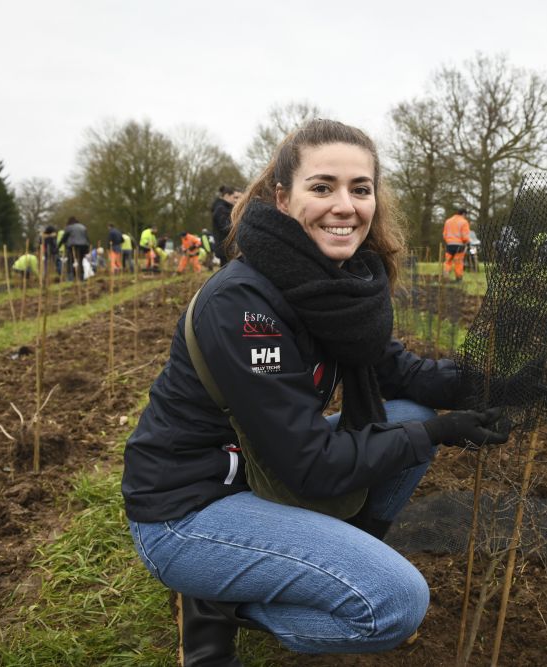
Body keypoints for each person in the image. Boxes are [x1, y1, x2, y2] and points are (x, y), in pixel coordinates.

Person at [122, 119, 513, 666]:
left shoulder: (335, 285)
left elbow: (399, 372)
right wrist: (438, 433)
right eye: (322, 187)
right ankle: (218, 602)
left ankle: (335, 555)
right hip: (189, 506)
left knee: (406, 410)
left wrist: (492, 382)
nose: (344, 206)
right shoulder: (243, 305)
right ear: (283, 198)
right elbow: (313, 465)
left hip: (263, 467)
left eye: (360, 188)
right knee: (395, 603)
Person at [211, 185, 243, 267]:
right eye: (235, 197)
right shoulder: (221, 209)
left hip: (228, 248)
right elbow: (227, 227)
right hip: (226, 249)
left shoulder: (224, 208)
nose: (236, 200)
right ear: (227, 196)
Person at [58, 216, 91, 282]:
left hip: (73, 246)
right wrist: (88, 248)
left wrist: (58, 246)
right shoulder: (83, 227)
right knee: (80, 261)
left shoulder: (69, 227)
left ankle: (70, 278)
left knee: (70, 262)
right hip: (83, 246)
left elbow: (64, 238)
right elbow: (87, 238)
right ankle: (81, 277)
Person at [442, 208, 471, 281]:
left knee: (448, 261)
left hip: (449, 244)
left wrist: (448, 240)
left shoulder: (448, 221)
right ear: (464, 214)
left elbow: (444, 234)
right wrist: (468, 242)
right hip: (459, 245)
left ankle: (445, 275)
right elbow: (465, 236)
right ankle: (458, 278)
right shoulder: (464, 222)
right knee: (458, 262)